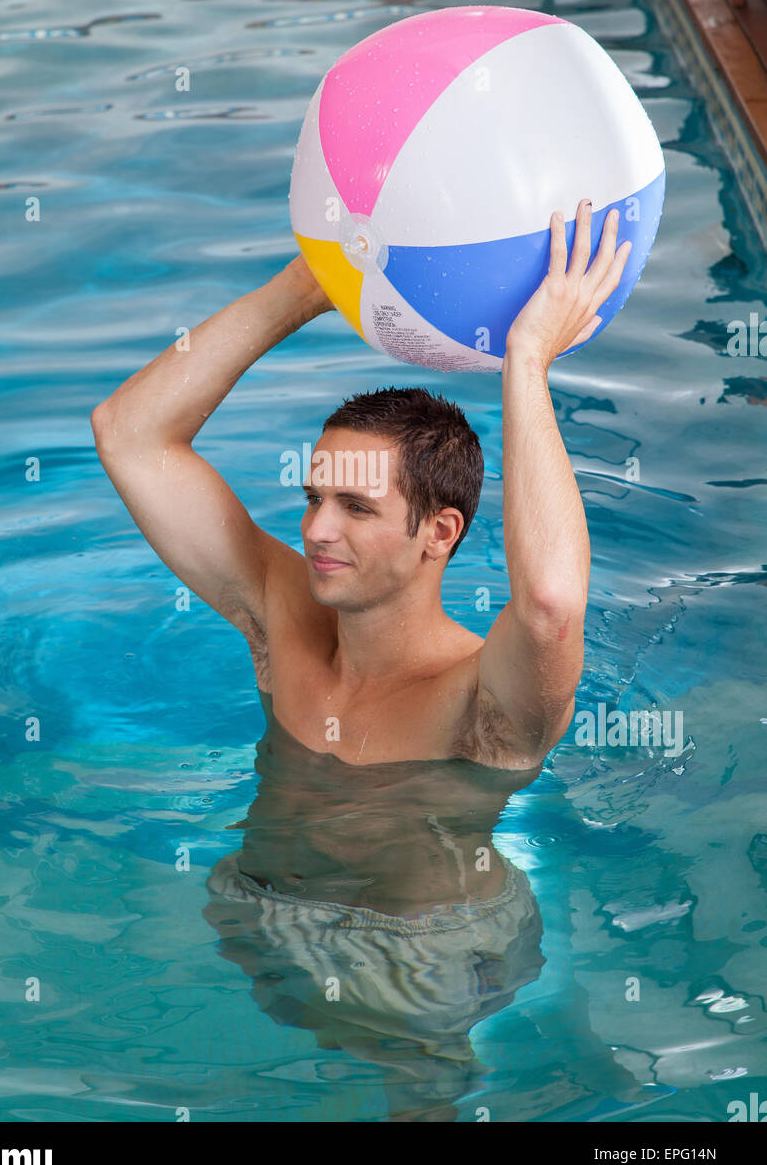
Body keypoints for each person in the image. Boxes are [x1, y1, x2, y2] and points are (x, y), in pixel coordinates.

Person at [90, 199, 630, 777]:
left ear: (439, 532)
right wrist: (306, 286)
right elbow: (128, 435)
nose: (316, 531)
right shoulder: (284, 616)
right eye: (315, 498)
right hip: (251, 874)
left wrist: (527, 359)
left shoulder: (481, 703)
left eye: (356, 507)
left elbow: (550, 606)